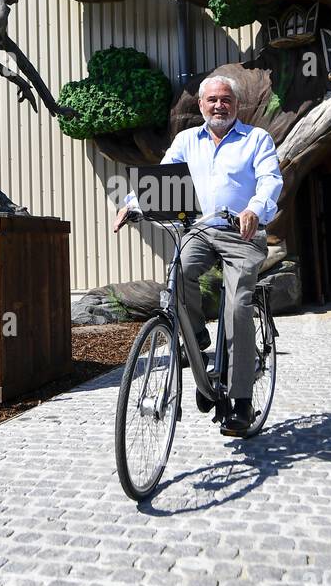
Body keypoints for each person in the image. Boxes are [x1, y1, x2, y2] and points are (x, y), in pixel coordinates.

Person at [114, 74, 283, 436]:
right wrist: (131, 204)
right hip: (200, 230)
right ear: (201, 105)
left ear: (237, 105)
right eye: (212, 100)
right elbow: (163, 176)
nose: (219, 105)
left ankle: (240, 401)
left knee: (237, 306)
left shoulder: (256, 139)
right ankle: (198, 345)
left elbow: (270, 180)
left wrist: (255, 209)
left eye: (226, 100)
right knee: (177, 277)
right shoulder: (186, 140)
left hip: (242, 233)